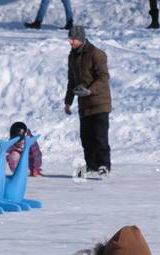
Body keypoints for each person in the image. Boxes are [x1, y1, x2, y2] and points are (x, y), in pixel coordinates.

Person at [64, 26, 112, 177]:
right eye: (69, 39)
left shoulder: (96, 54)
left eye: (73, 39)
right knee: (86, 137)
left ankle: (104, 166)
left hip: (99, 102)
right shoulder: (72, 56)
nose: (70, 42)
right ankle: (91, 166)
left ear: (81, 38)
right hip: (84, 104)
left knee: (99, 136)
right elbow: (72, 81)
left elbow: (103, 77)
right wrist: (68, 102)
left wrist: (91, 90)